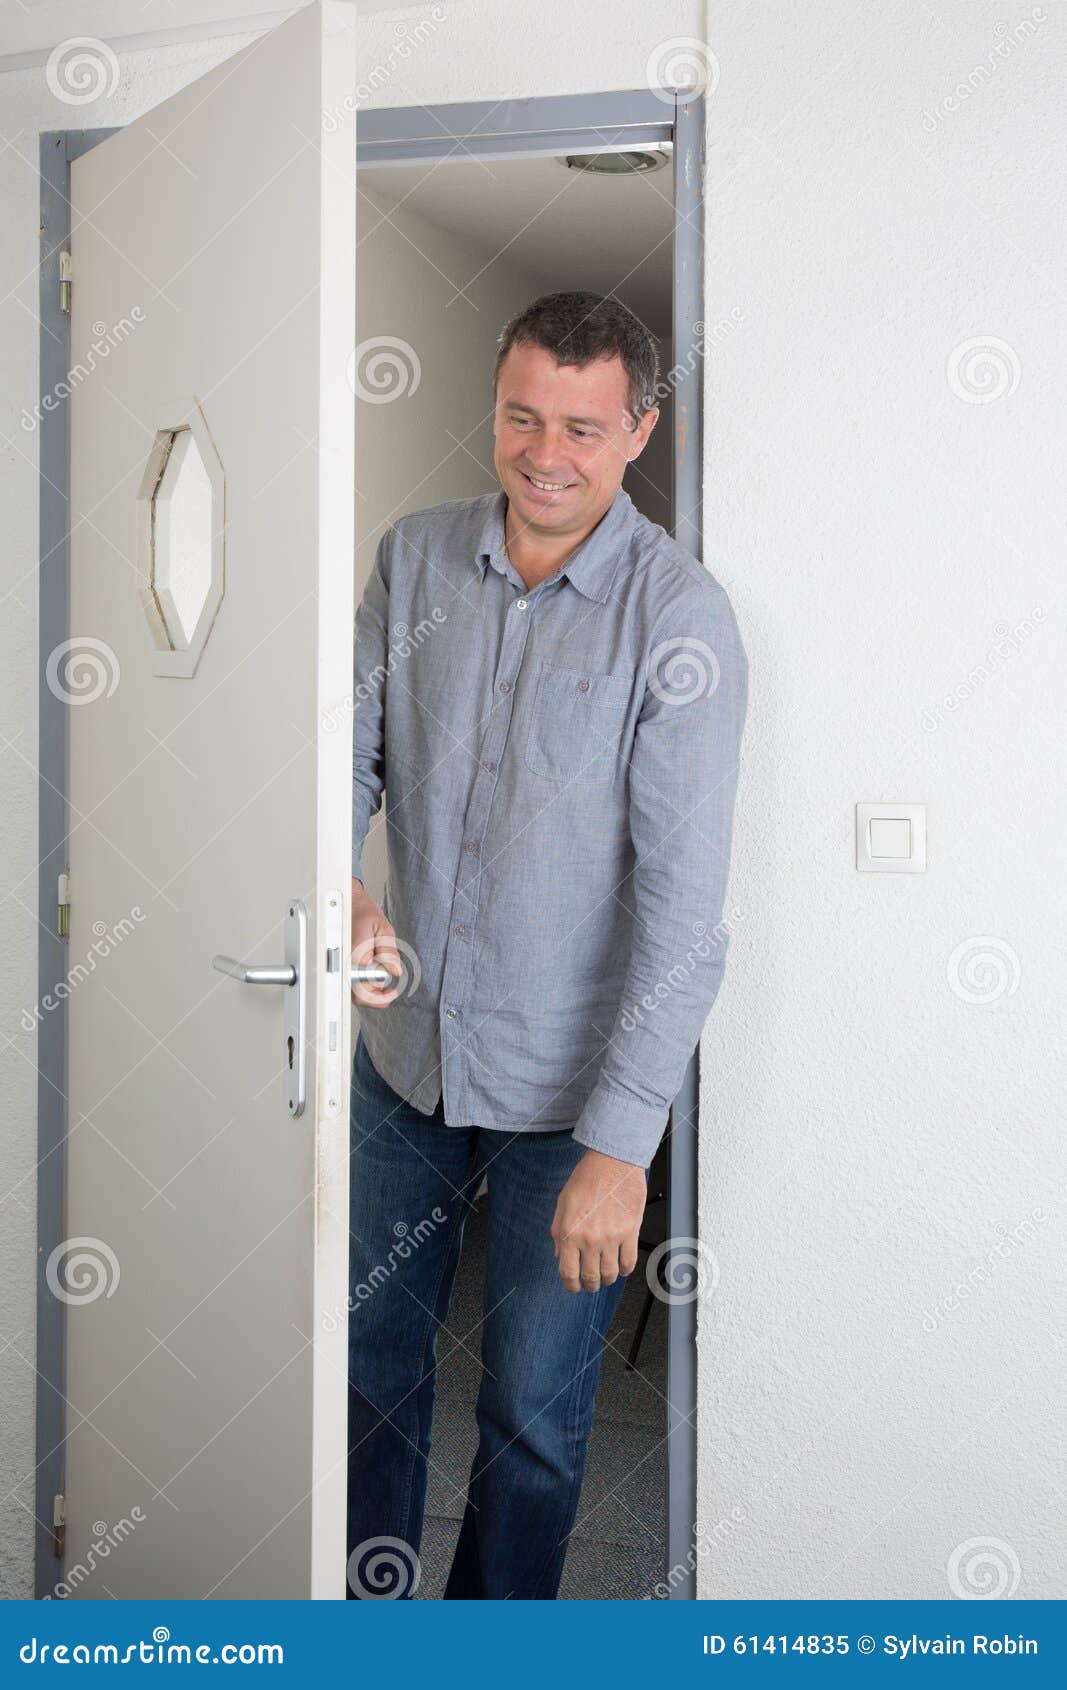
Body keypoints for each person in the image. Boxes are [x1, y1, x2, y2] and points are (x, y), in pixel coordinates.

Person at [345, 291, 748, 1600]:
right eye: (522, 415)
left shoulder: (678, 618)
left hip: (570, 1108)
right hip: (400, 1065)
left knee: (528, 1422)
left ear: (639, 427)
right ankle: (366, 1630)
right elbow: (334, 765)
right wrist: (336, 886)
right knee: (363, 1378)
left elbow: (687, 914)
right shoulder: (413, 559)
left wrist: (622, 1147)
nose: (545, 452)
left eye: (581, 425)